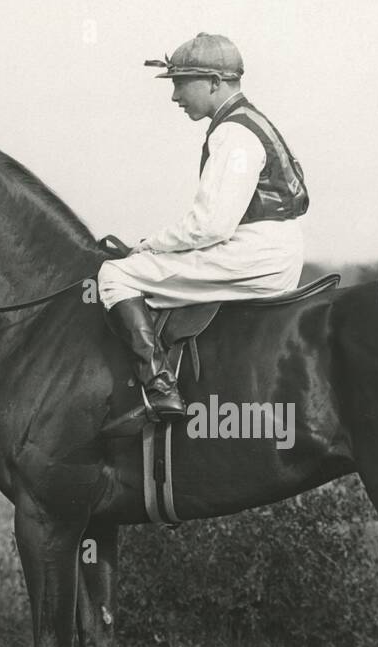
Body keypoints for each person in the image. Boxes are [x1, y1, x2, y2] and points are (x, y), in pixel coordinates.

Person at [98, 32, 310, 421]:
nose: (175, 97)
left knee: (115, 275)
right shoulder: (250, 121)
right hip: (273, 246)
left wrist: (149, 246)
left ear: (215, 83)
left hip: (255, 254)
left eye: (181, 84)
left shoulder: (234, 133)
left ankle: (159, 388)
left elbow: (210, 226)